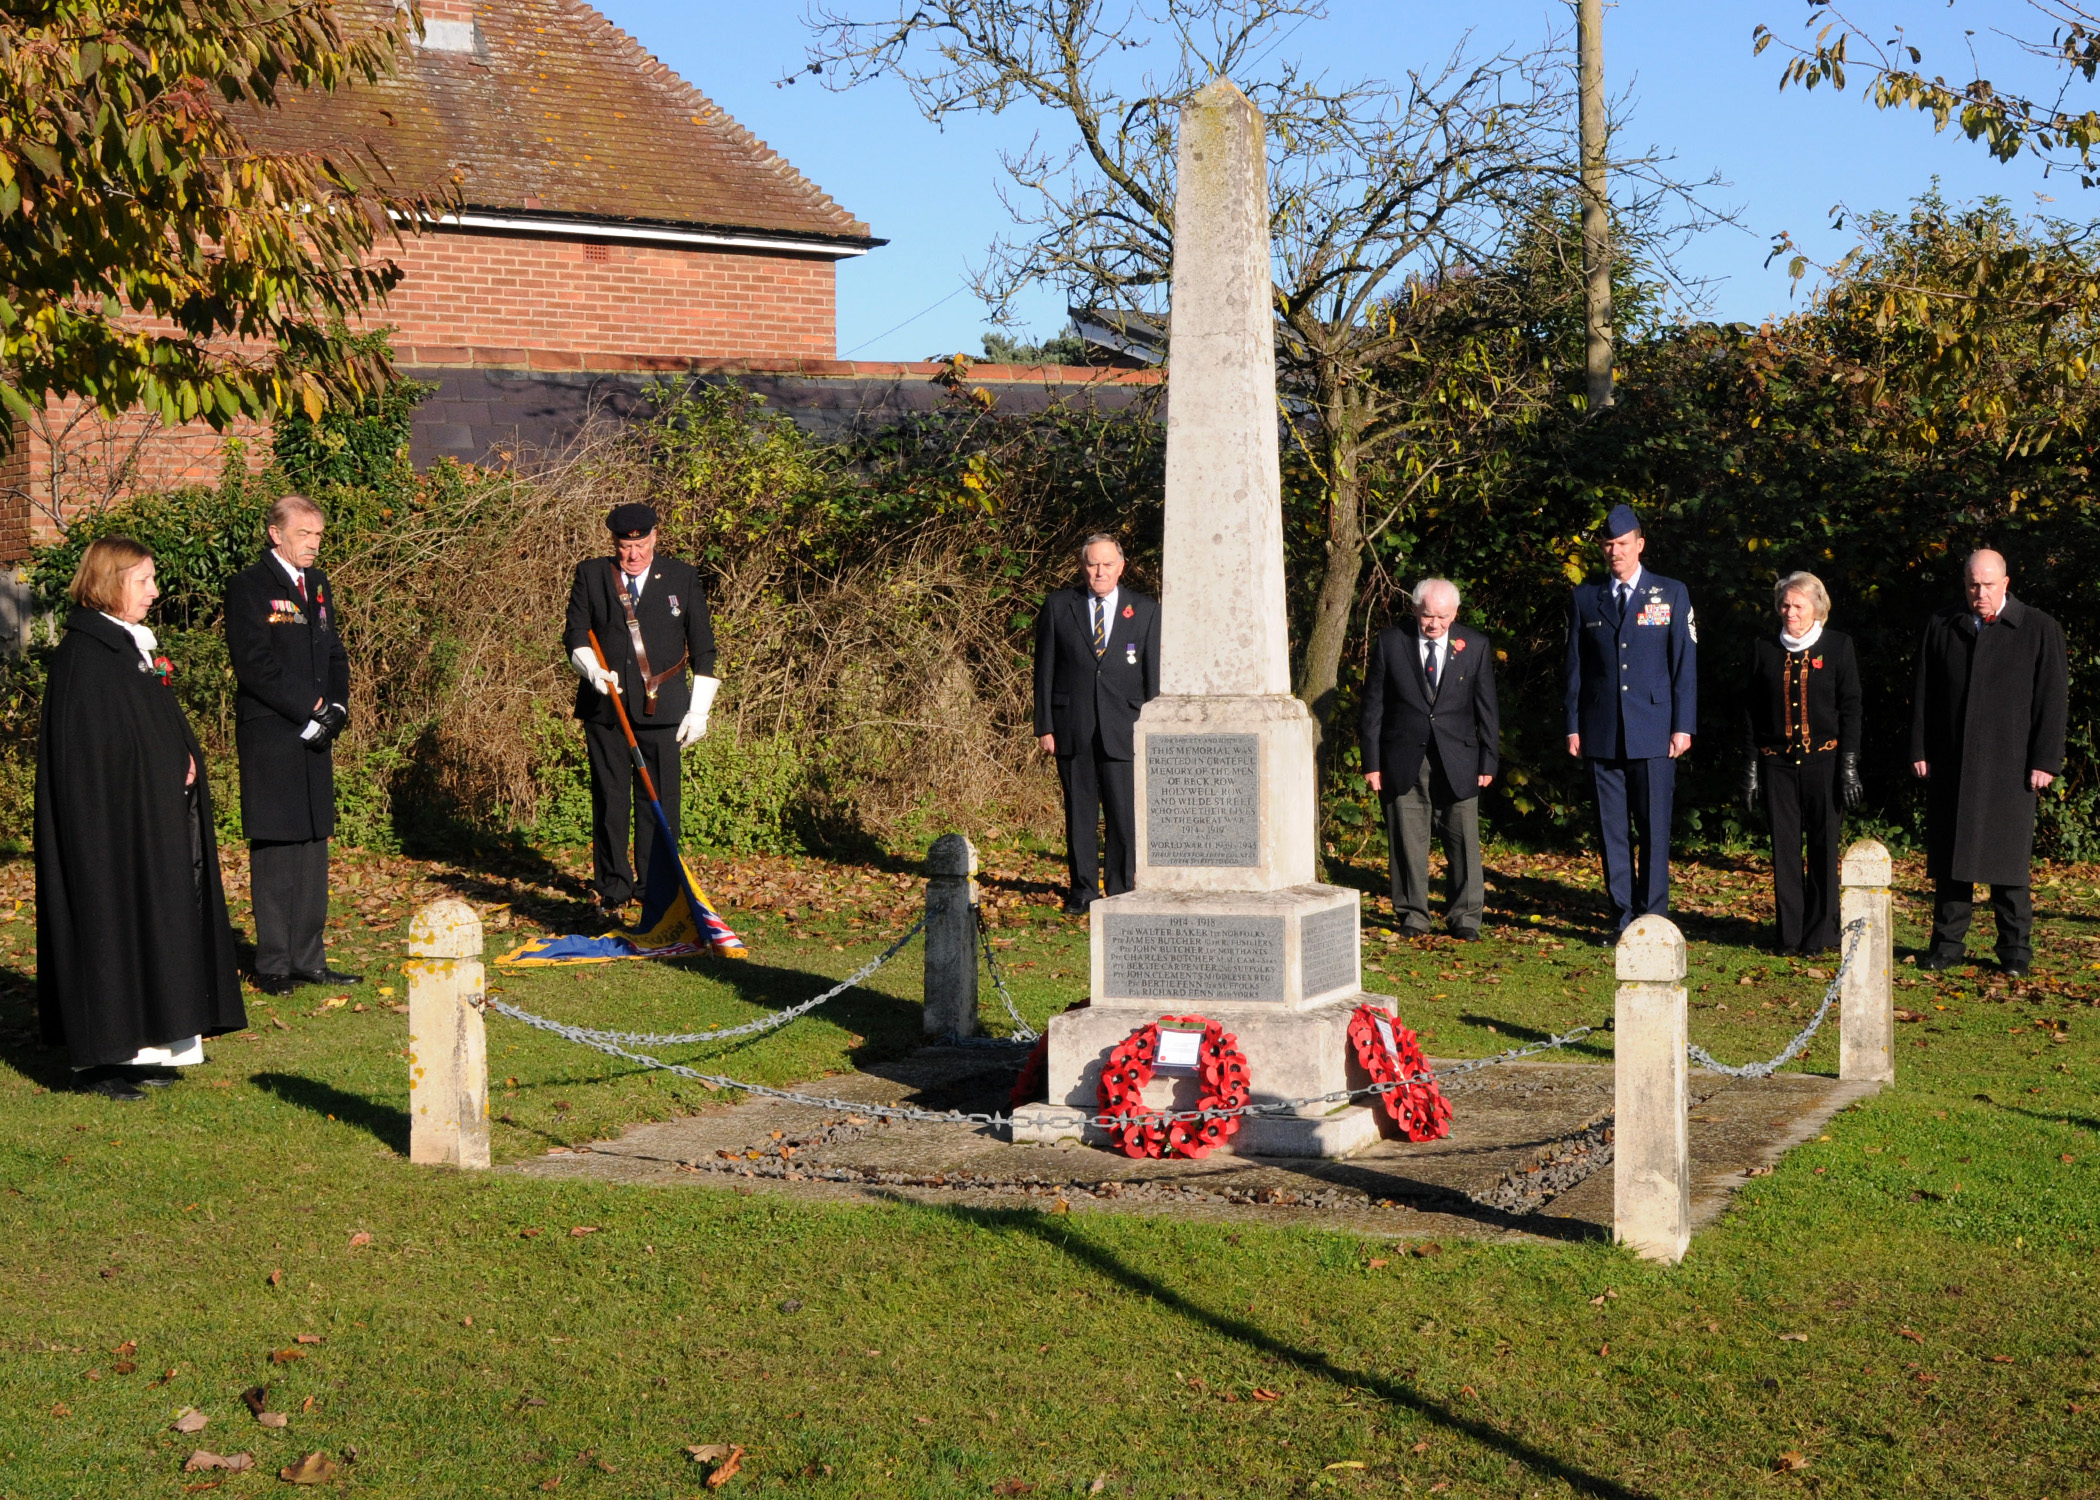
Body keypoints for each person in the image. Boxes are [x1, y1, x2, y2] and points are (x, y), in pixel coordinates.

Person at [37, 536, 245, 1100]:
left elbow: (145, 724)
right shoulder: (87, 655)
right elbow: (89, 754)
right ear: (111, 581)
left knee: (151, 924)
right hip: (106, 830)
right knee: (108, 928)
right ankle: (100, 1061)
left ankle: (141, 1047)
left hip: (144, 819)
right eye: (145, 581)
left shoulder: (127, 646)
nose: (155, 592)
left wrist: (178, 758)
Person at [1908, 548, 2068, 976]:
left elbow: (2052, 700)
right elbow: (1924, 692)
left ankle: (2015, 951)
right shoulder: (1943, 624)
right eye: (1972, 584)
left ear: (2005, 583)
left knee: (2009, 865)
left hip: (2012, 765)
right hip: (1952, 762)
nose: (1979, 592)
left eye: (1988, 584)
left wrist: (2045, 760)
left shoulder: (2038, 628)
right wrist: (1919, 749)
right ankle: (1946, 946)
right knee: (1952, 862)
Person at [225, 495, 357, 995]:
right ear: (275, 534)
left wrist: (337, 708)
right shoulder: (249, 587)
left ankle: (309, 958)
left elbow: (334, 652)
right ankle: (274, 963)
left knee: (312, 846)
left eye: (318, 534)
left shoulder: (317, 585)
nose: (313, 543)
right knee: (277, 848)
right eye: (304, 533)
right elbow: (255, 665)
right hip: (274, 733)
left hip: (316, 732)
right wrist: (313, 705)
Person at [564, 503, 718, 914]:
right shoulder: (592, 574)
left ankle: (657, 887)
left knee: (661, 801)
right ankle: (613, 888)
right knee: (610, 799)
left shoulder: (682, 577)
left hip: (664, 709)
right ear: (614, 541)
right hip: (606, 709)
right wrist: (595, 673)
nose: (634, 554)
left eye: (641, 543)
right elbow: (575, 634)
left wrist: (698, 711)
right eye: (625, 545)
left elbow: (703, 648)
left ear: (655, 537)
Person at [1563, 504, 1697, 934]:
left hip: (1655, 727)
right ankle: (1622, 919)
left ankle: (1653, 919)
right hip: (1601, 728)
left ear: (1640, 545)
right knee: (1611, 830)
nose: (1614, 551)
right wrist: (1572, 723)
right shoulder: (1586, 596)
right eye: (1607, 544)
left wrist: (1684, 724)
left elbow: (1683, 663)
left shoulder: (1670, 592)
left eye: (1622, 543)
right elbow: (1574, 667)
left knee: (1655, 827)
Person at [1359, 577, 1500, 940]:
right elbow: (1373, 707)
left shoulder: (1476, 646)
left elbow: (1487, 709)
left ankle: (1465, 918)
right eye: (1427, 616)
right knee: (1406, 841)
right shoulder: (1390, 643)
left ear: (1454, 614)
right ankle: (1413, 915)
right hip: (1403, 759)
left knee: (1464, 842)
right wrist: (1372, 763)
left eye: (1442, 616)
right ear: (1415, 610)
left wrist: (1489, 761)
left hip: (1460, 760)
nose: (1434, 624)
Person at [1033, 534, 1161, 914]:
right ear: (1083, 567)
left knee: (1124, 817)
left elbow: (1153, 678)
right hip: (1072, 727)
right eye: (1093, 564)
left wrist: (1152, 729)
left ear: (1121, 566)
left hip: (1126, 728)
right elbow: (1044, 671)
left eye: (1107, 564)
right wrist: (1045, 726)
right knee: (1080, 815)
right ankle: (1084, 892)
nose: (1100, 572)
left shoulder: (1146, 610)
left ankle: (1121, 892)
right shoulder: (1059, 606)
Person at [1740, 571, 1863, 955]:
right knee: (1785, 850)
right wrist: (1750, 768)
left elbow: (1851, 710)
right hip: (1777, 765)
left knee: (1824, 849)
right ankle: (1790, 935)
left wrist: (1849, 766)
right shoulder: (1764, 649)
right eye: (1785, 605)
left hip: (1823, 764)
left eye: (1798, 605)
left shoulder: (1839, 646)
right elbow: (1751, 713)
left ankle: (1822, 934)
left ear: (1817, 608)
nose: (1789, 612)